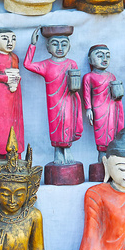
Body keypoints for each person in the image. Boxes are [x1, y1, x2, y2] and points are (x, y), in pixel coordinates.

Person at [23, 26, 83, 164]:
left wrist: (75, 87)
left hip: (68, 99)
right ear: (48, 47)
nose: (60, 48)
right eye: (55, 44)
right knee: (56, 126)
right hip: (53, 102)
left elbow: (75, 82)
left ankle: (67, 150)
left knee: (67, 123)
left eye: (64, 44)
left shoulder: (71, 63)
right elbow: (27, 64)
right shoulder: (45, 64)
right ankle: (57, 152)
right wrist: (33, 44)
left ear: (69, 47)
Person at [0, 28, 23, 154]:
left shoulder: (14, 57)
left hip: (14, 94)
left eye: (13, 39)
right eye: (5, 39)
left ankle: (15, 155)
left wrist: (16, 78)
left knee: (14, 123)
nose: (10, 42)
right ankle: (1, 154)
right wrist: (6, 78)